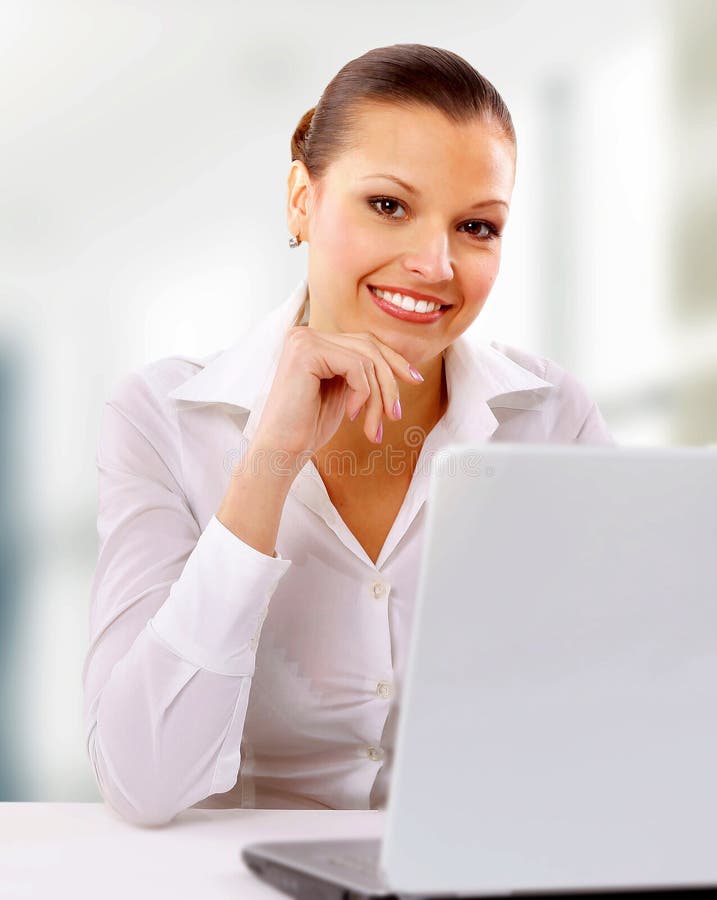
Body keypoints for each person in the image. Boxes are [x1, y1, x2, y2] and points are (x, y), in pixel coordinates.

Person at [82, 43, 614, 828]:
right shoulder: (163, 418)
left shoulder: (550, 419)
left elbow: (624, 709)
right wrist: (267, 464)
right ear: (302, 200)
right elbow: (141, 784)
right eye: (389, 206)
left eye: (475, 226)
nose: (433, 264)